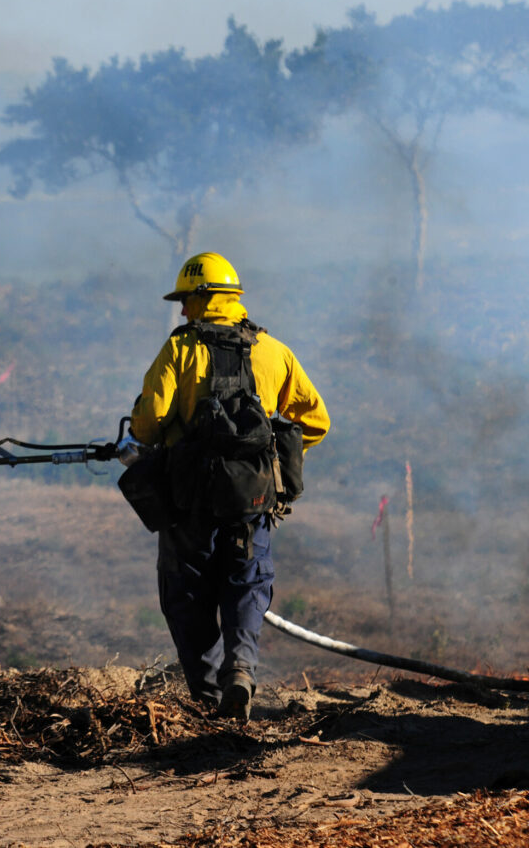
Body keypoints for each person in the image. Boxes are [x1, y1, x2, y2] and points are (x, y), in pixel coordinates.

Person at [130, 252, 329, 720]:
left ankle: (205, 697)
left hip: (188, 503)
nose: (182, 311)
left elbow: (148, 423)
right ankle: (240, 671)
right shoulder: (273, 351)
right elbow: (315, 421)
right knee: (246, 586)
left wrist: (149, 441)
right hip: (252, 501)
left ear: (204, 298)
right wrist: (273, 464)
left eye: (186, 301)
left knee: (186, 593)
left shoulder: (180, 349)